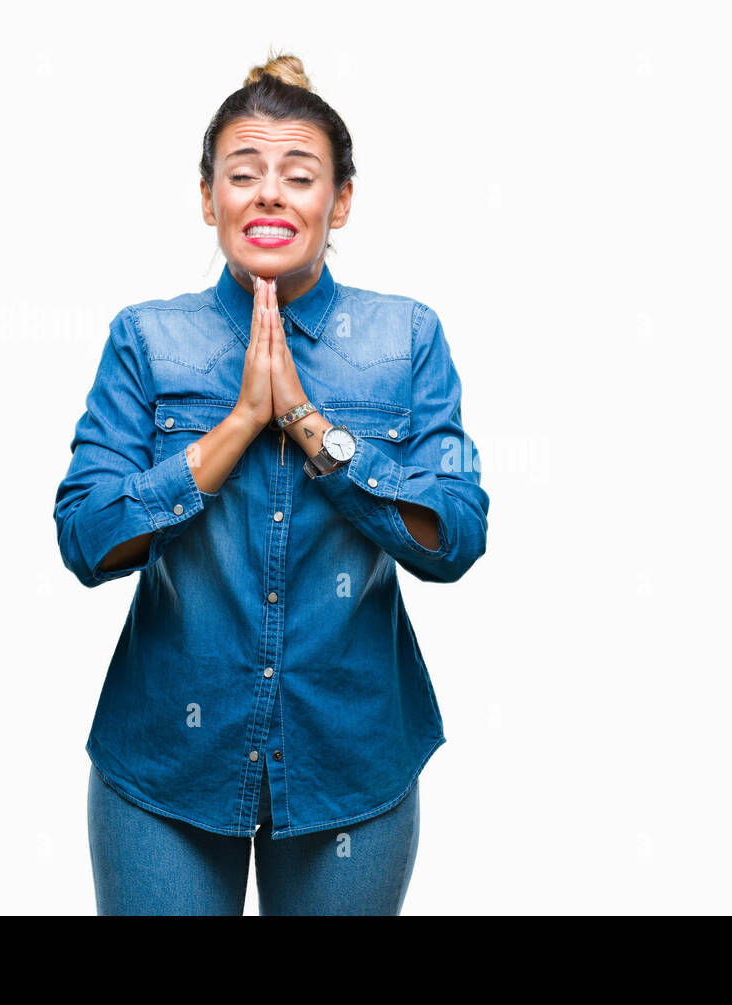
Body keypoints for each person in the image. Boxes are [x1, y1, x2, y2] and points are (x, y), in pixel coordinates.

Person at [53, 49, 490, 915]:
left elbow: (458, 532)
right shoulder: (147, 338)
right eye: (242, 173)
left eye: (299, 174)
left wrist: (310, 427)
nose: (269, 195)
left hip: (352, 762)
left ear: (342, 200)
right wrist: (237, 427)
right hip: (164, 769)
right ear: (209, 196)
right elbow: (86, 535)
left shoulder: (406, 338)